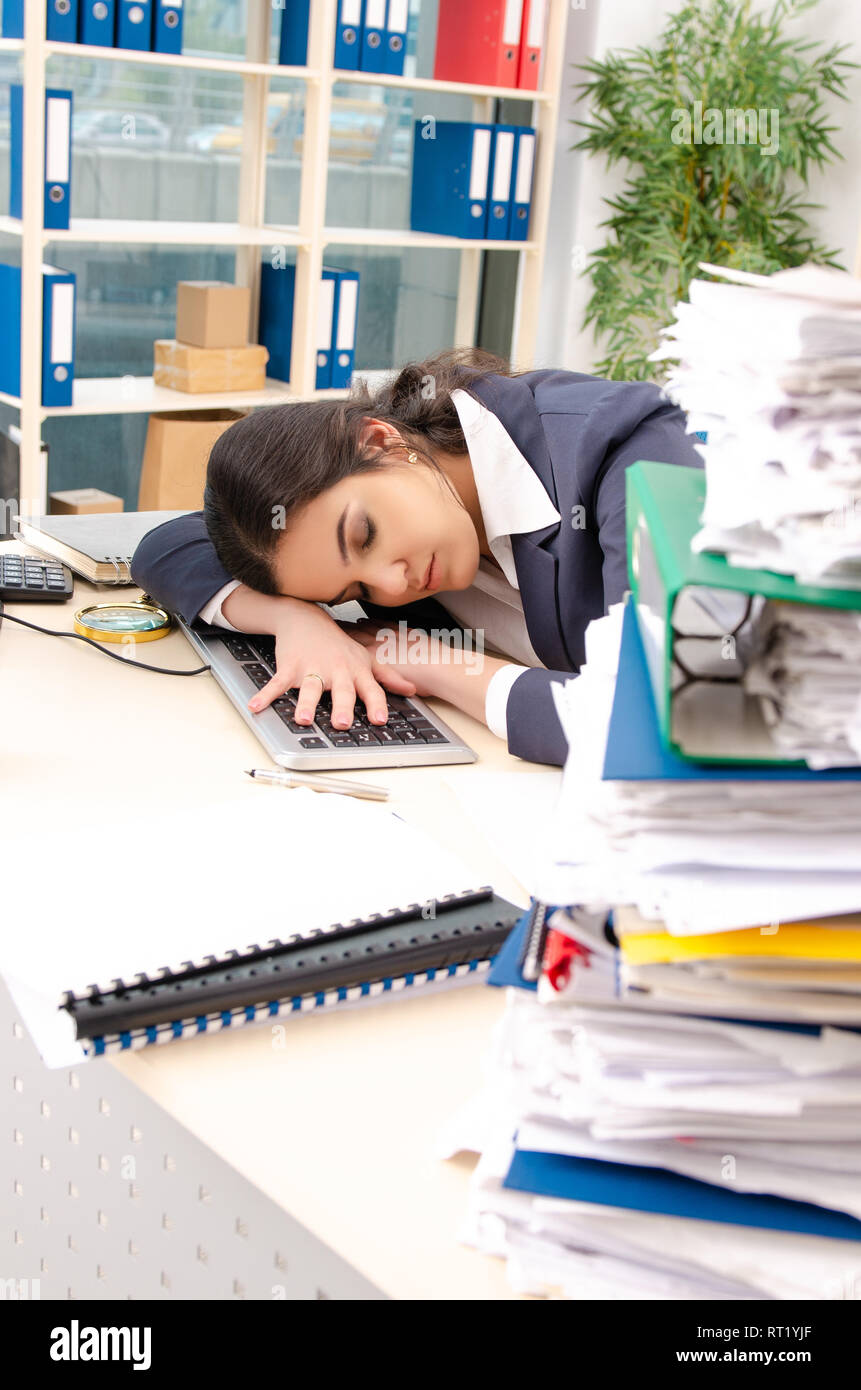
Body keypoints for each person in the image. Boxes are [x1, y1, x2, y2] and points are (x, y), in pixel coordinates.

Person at [131, 349, 701, 766]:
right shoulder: (422, 501)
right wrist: (295, 619)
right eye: (354, 594)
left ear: (379, 440)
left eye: (365, 535)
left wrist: (431, 662)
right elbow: (166, 545)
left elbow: (662, 719)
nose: (392, 584)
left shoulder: (631, 454)